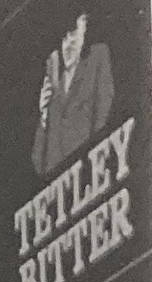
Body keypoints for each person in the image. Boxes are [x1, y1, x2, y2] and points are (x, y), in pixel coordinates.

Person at [33, 11, 115, 178]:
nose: (69, 43)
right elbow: (38, 163)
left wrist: (95, 155)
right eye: (65, 38)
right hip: (59, 185)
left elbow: (104, 108)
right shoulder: (54, 86)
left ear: (84, 36)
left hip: (90, 170)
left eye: (75, 35)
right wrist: (44, 116)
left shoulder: (96, 60)